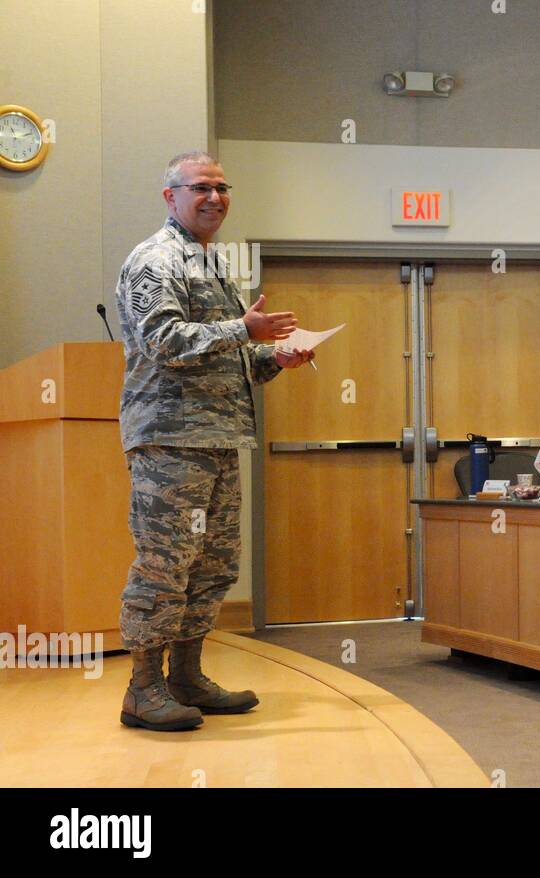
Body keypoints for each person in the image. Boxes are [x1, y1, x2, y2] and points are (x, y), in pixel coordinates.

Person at [117, 151, 315, 732]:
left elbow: (231, 362)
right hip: (170, 442)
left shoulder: (210, 262)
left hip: (220, 438)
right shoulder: (156, 259)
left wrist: (273, 356)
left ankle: (186, 677)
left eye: (222, 187)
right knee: (165, 563)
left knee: (213, 562)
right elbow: (164, 342)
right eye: (201, 187)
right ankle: (142, 689)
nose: (215, 197)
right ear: (170, 196)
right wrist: (242, 329)